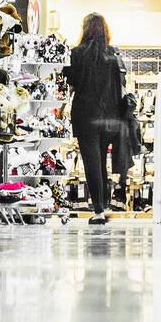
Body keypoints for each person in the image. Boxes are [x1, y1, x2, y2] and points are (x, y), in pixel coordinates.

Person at [63, 13, 129, 226]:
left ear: (85, 29)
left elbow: (70, 82)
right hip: (110, 116)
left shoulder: (76, 54)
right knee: (102, 162)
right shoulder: (113, 54)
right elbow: (122, 84)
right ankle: (105, 204)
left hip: (85, 114)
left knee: (91, 162)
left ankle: (99, 210)